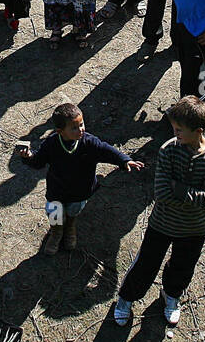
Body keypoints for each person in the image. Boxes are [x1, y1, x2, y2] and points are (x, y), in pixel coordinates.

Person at [113, 96, 205, 328]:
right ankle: (126, 298)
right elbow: (162, 193)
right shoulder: (168, 151)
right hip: (162, 224)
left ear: (198, 130)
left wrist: (180, 188)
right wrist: (194, 195)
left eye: (179, 130)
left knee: (183, 267)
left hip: (194, 229)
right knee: (146, 264)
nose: (176, 134)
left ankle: (171, 295)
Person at [18, 102, 145, 255]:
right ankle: (57, 232)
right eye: (74, 127)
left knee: (74, 210)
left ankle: (70, 226)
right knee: (54, 211)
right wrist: (29, 156)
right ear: (60, 131)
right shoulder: (51, 144)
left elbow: (106, 150)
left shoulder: (89, 142)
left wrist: (124, 160)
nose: (81, 129)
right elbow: (38, 162)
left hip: (81, 190)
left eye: (81, 124)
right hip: (57, 190)